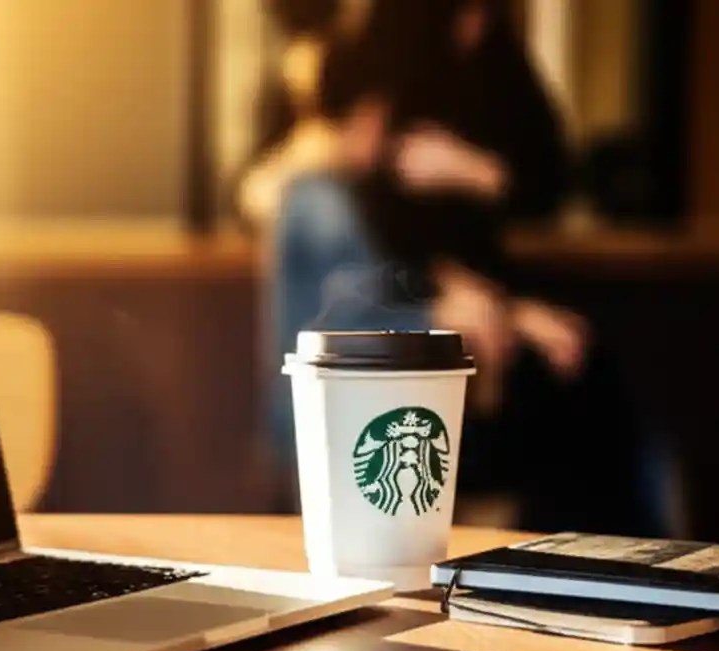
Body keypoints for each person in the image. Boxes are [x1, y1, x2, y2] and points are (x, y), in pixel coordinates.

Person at [267, 0, 653, 533]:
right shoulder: (327, 192)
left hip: (442, 314)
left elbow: (549, 178)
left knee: (586, 381)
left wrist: (474, 174)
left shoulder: (497, 59)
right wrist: (476, 306)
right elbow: (359, 290)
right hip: (379, 356)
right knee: (532, 378)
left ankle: (595, 569)